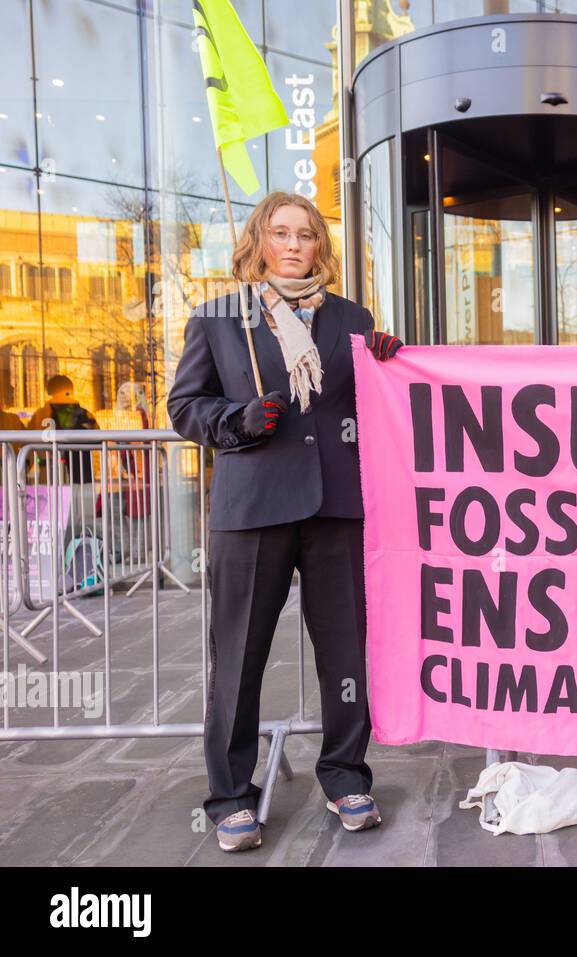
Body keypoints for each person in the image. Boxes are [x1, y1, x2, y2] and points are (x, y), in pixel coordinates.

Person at [168, 191, 405, 851]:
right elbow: (185, 405)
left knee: (346, 653)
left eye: (306, 234)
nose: (295, 245)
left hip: (336, 509)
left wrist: (389, 365)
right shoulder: (219, 316)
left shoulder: (353, 318)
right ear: (260, 241)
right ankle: (230, 795)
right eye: (281, 233)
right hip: (252, 510)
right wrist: (237, 421)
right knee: (238, 659)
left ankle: (347, 774)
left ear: (319, 247)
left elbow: (379, 405)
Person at [28, 374, 100, 484]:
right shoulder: (85, 413)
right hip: (82, 471)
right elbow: (98, 438)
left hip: (50, 470)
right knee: (81, 499)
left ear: (50, 390)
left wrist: (25, 467)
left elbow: (28, 440)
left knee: (53, 499)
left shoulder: (40, 414)